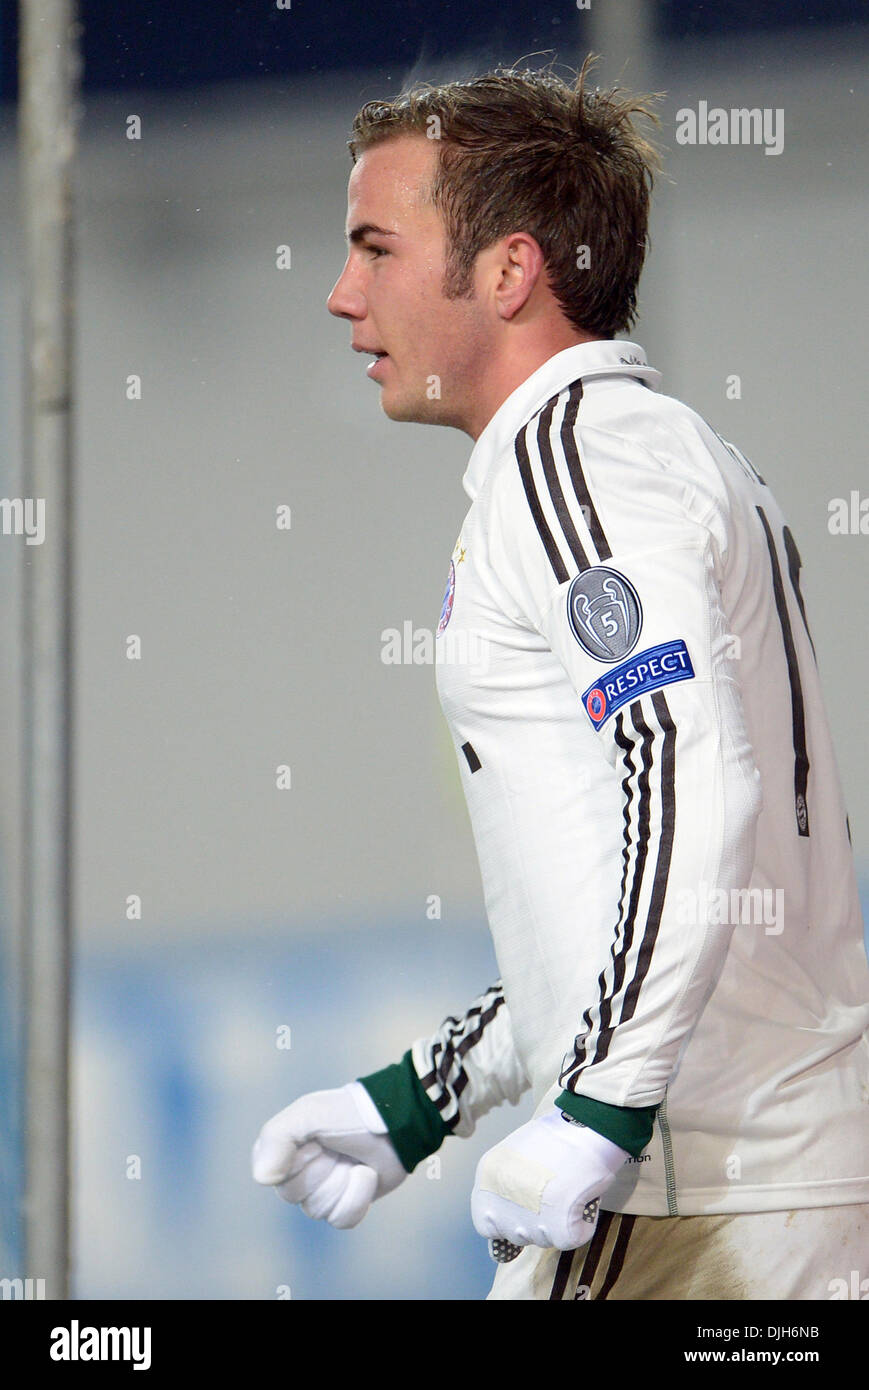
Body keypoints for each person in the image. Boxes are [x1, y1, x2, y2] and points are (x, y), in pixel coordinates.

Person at [251, 59, 869, 1300]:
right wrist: (424, 1098)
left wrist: (597, 1110)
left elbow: (690, 777)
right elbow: (623, 876)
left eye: (374, 247)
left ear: (508, 271)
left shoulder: (573, 471)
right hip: (751, 1171)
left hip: (692, 1190)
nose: (337, 293)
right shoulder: (637, 456)